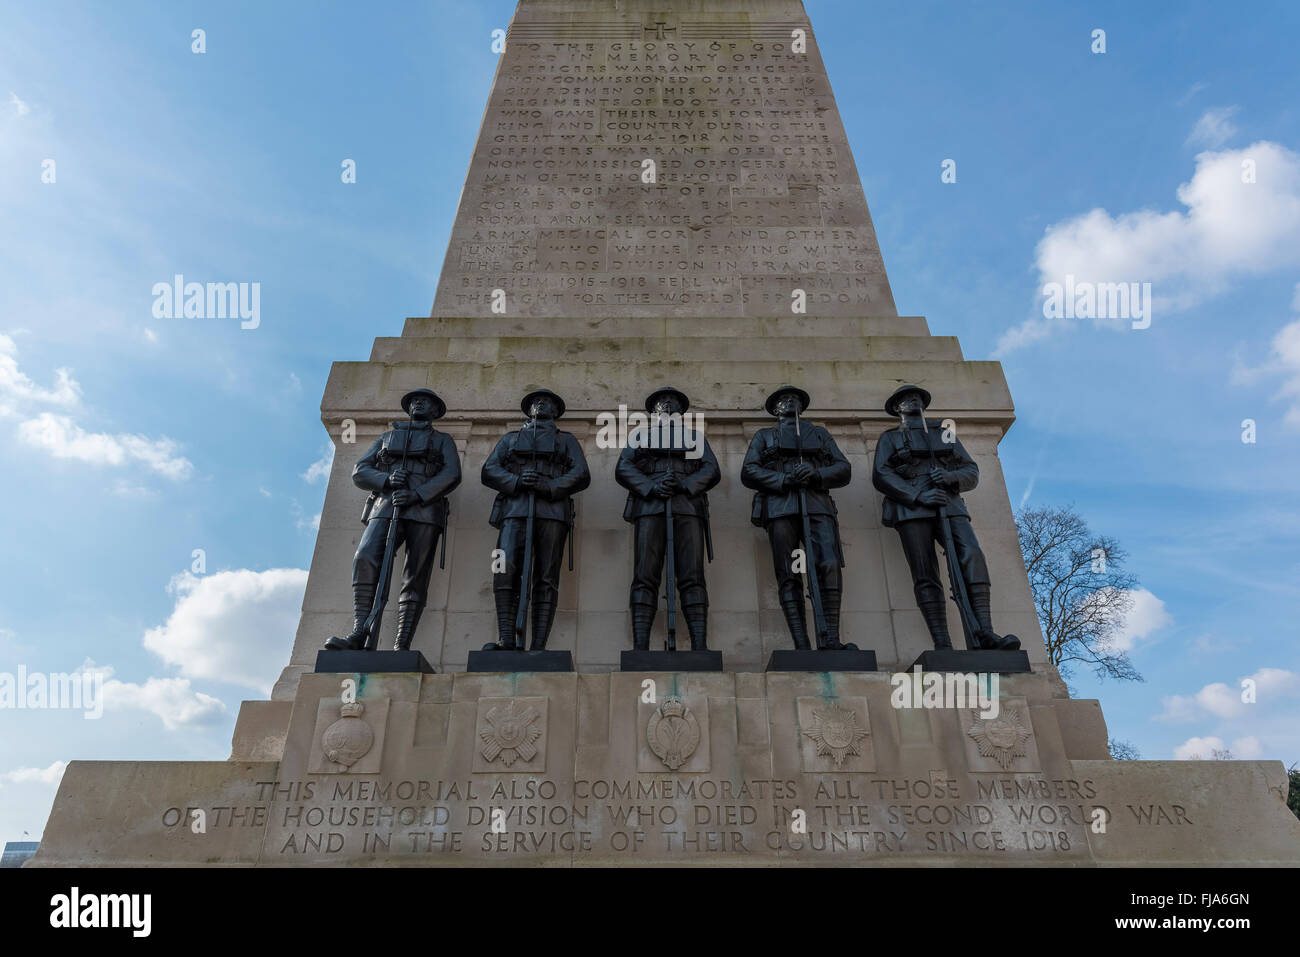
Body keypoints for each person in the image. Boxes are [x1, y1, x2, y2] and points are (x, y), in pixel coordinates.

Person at [324, 388, 461, 652]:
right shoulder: (387, 437)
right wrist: (386, 479)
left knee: (416, 574)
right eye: (414, 401)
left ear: (435, 411)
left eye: (425, 401)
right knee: (364, 557)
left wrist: (419, 494)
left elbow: (452, 474)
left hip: (425, 509)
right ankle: (360, 631)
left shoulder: (443, 440)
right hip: (387, 504)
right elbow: (360, 470)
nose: (418, 403)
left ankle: (402, 641)